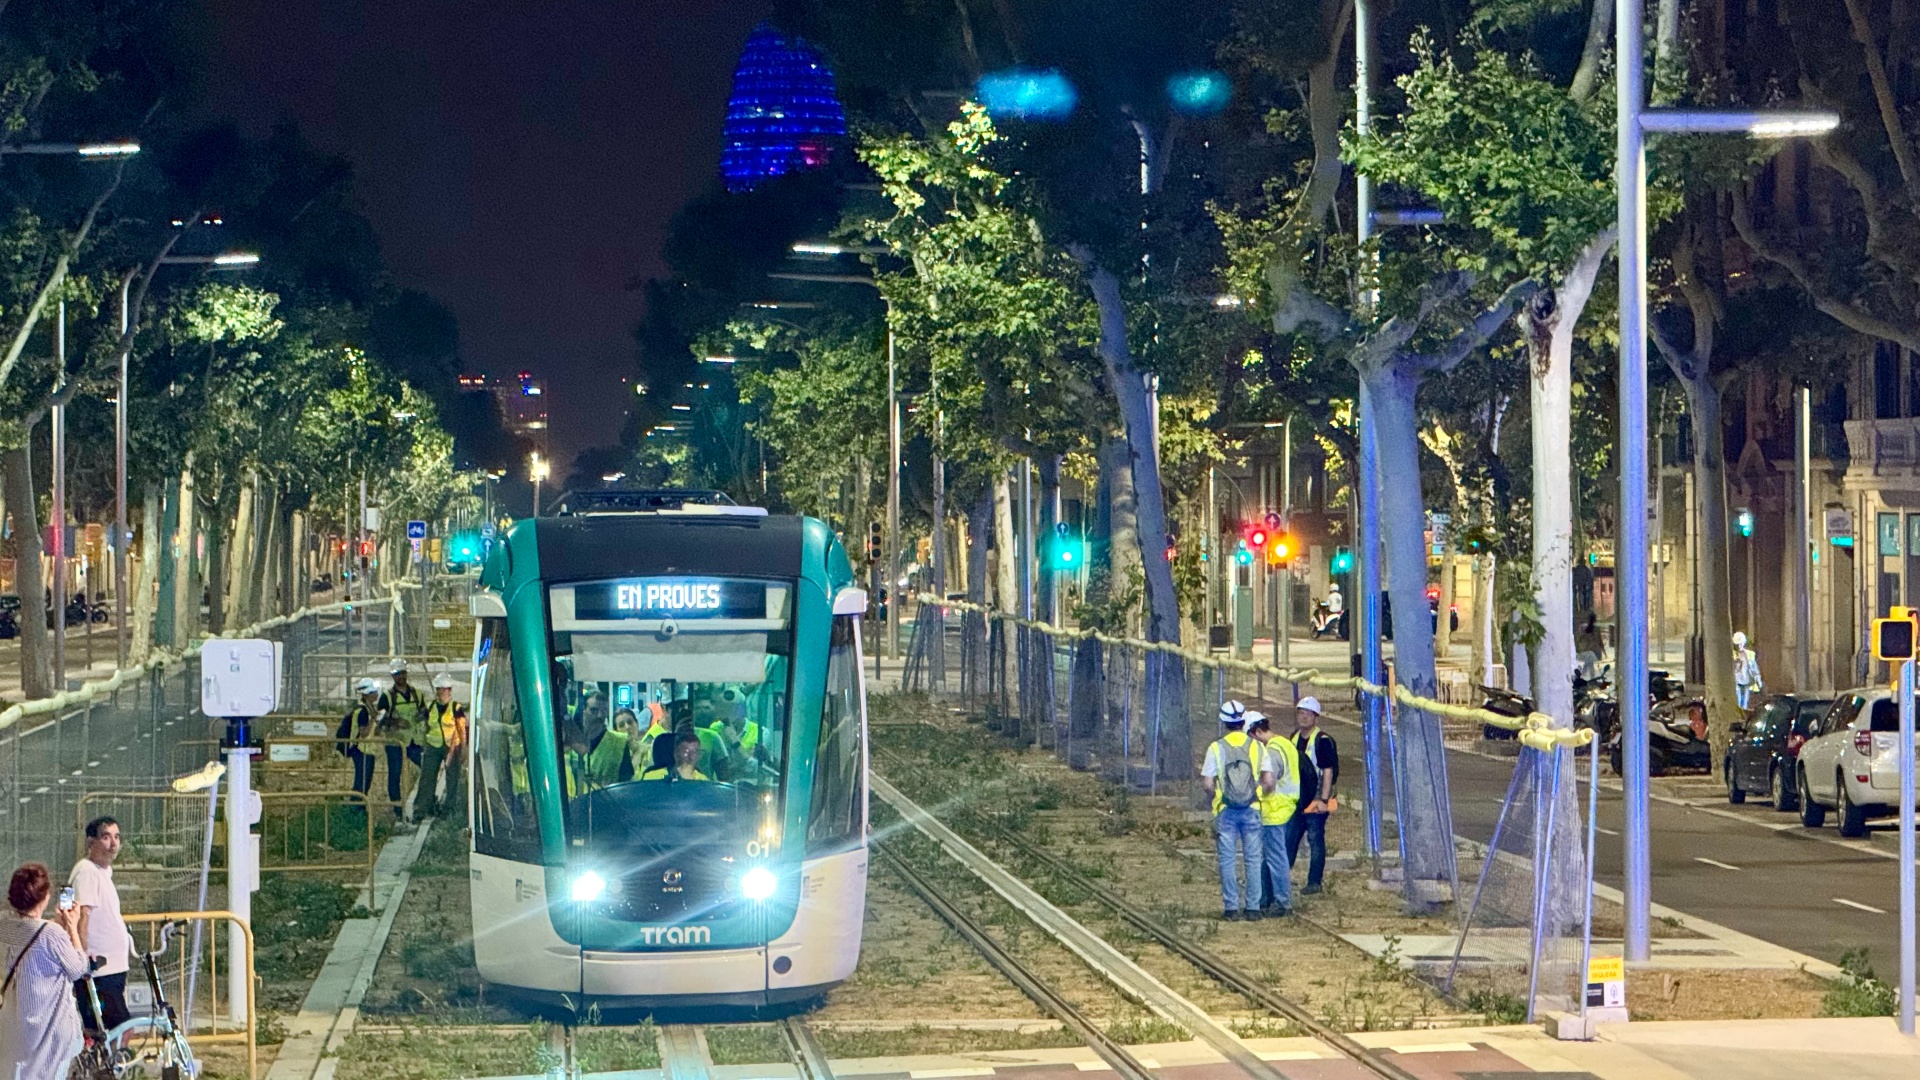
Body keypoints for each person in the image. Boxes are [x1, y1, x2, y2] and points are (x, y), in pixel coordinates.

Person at [1, 862, 89, 1080]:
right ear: (46, 896)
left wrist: (56, 923)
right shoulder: (52, 934)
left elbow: (30, 936)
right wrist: (72, 926)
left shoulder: (4, 924)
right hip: (49, 1030)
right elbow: (78, 968)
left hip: (14, 1024)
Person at [1200, 700, 1270, 921]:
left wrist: (1217, 796)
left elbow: (1207, 783)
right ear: (1243, 721)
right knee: (1253, 858)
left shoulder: (1216, 748)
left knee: (1227, 859)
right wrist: (1258, 793)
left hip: (1226, 809)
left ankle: (1231, 907)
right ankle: (1253, 908)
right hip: (1252, 808)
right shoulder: (1257, 747)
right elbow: (1268, 780)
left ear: (1223, 722)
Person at [68, 817, 131, 1035]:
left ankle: (102, 1066)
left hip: (112, 967)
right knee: (120, 1029)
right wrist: (82, 959)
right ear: (90, 842)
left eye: (116, 837)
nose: (113, 844)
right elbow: (81, 918)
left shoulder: (103, 872)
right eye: (106, 837)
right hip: (99, 969)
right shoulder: (86, 871)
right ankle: (108, 1069)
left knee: (104, 1029)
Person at [1247, 712, 1300, 916]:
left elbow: (1269, 783)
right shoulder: (1285, 744)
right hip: (1286, 807)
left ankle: (1281, 902)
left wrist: (1254, 793)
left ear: (1257, 732)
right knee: (1272, 857)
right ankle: (1266, 897)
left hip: (1274, 810)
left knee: (1276, 858)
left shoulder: (1270, 752)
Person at [1288, 697, 1339, 895]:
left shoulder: (1323, 741)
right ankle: (1282, 877)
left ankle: (1314, 882)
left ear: (1315, 717)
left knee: (1315, 839)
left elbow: (1328, 771)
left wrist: (1323, 800)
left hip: (1316, 800)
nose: (1304, 717)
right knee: (1290, 839)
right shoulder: (1294, 737)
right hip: (1297, 799)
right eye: (1301, 713)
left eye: (1308, 714)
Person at [415, 674, 469, 820]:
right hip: (432, 747)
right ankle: (423, 809)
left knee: (452, 778)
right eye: (440, 689)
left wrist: (463, 749)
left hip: (451, 748)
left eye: (445, 689)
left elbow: (462, 730)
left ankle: (448, 809)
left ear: (449, 690)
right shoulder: (430, 706)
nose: (443, 692)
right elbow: (423, 723)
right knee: (427, 778)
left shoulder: (456, 708)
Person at [562, 692, 631, 797]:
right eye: (594, 710)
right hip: (570, 807)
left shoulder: (619, 743)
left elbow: (626, 784)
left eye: (604, 711)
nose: (600, 715)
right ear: (583, 710)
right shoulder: (569, 739)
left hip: (605, 806)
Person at [383, 662, 429, 820]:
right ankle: (397, 810)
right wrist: (396, 723)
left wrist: (421, 717)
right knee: (395, 775)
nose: (401, 676)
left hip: (415, 741)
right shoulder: (387, 697)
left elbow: (425, 713)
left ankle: (423, 803)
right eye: (397, 674)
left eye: (402, 673)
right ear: (392, 676)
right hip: (395, 743)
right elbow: (380, 721)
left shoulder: (417, 694)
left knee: (427, 770)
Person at [335, 679, 385, 796]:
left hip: (366, 750)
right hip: (361, 750)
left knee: (364, 782)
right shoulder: (362, 711)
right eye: (374, 691)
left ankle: (359, 807)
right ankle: (357, 807)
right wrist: (373, 718)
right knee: (362, 783)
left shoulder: (367, 708)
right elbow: (364, 733)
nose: (377, 694)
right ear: (368, 694)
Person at [640, 730, 710, 781]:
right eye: (685, 751)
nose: (690, 756)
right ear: (676, 753)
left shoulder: (703, 781)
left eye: (695, 751)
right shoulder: (653, 777)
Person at [1732, 631, 1763, 710]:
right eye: (1737, 644)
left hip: (1747, 680)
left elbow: (1754, 668)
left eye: (1740, 643)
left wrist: (1758, 680)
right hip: (1736, 680)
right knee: (1738, 700)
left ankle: (1743, 714)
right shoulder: (1733, 654)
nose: (1739, 646)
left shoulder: (1750, 654)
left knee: (1745, 702)